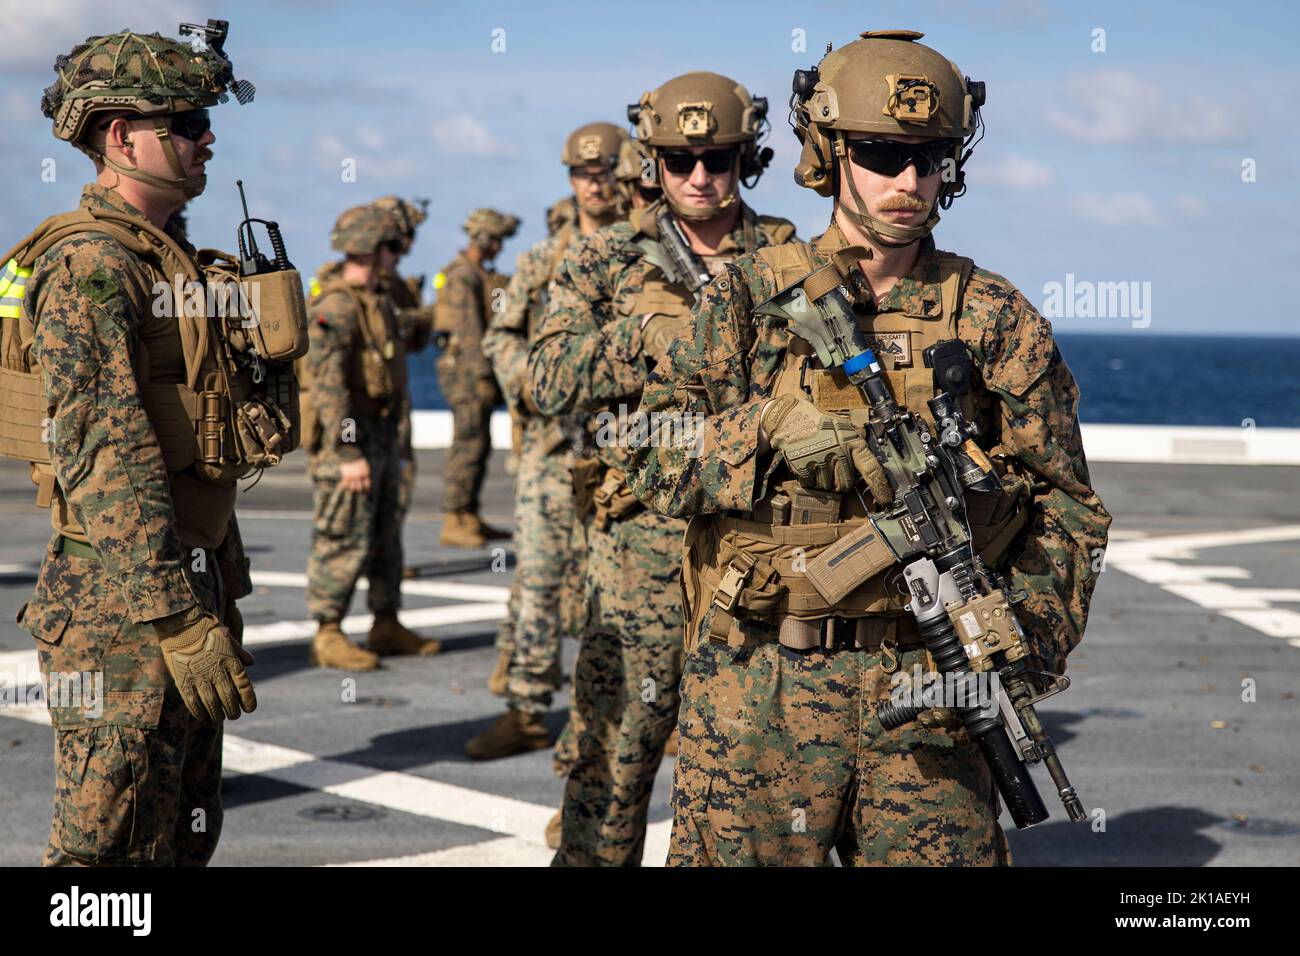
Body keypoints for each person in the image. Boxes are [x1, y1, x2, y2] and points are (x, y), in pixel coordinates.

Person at [626, 30, 1112, 866]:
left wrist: (1011, 635)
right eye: (882, 154)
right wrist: (766, 428)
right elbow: (651, 459)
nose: (908, 182)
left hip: (931, 691)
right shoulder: (746, 296)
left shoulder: (994, 316)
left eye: (929, 158)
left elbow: (1067, 507)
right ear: (825, 152)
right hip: (757, 690)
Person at [3, 24, 281, 864]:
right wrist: (170, 614)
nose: (207, 136)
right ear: (121, 136)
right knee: (109, 852)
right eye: (186, 121)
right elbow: (102, 450)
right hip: (122, 607)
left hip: (185, 581)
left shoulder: (173, 262)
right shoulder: (93, 266)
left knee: (180, 833)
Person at [528, 72, 796, 866]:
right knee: (615, 755)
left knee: (749, 766)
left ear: (747, 157)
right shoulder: (604, 259)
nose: (701, 178)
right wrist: (643, 336)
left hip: (754, 546)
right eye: (680, 161)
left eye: (718, 159)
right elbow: (545, 380)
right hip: (638, 543)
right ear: (652, 162)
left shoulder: (789, 255)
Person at [471, 122, 630, 767]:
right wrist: (528, 383)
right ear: (570, 180)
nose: (594, 185)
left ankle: (644, 709)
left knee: (624, 587)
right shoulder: (540, 260)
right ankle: (527, 708)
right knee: (536, 578)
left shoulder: (647, 253)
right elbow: (500, 334)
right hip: (550, 449)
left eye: (605, 173)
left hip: (627, 448)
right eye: (582, 174)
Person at [303, 203, 441, 670]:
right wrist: (347, 452)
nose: (399, 255)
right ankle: (328, 631)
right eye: (393, 246)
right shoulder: (336, 307)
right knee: (342, 537)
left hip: (382, 438)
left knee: (386, 535)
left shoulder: (379, 302)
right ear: (372, 248)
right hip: (353, 444)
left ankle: (386, 622)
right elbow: (327, 385)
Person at [432, 208, 519, 548]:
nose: (499, 247)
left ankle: (469, 513)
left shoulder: (476, 274)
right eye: (495, 240)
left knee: (479, 445)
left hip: (475, 375)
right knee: (467, 445)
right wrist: (483, 375)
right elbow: (469, 333)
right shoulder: (464, 276)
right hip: (468, 377)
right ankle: (454, 518)